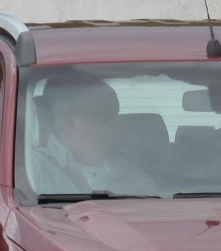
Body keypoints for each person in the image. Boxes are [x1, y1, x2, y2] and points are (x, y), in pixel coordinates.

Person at [29, 74, 157, 195]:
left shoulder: (129, 170)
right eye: (103, 114)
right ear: (68, 120)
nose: (117, 123)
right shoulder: (34, 169)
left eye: (117, 113)